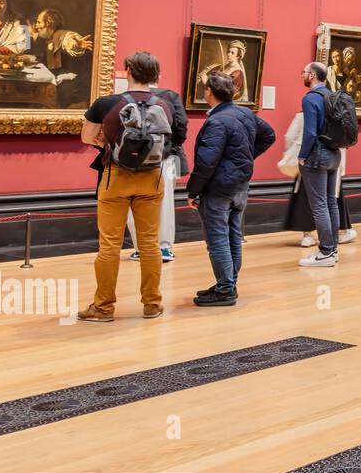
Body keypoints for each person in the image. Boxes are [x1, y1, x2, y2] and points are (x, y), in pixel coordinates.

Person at [76, 53, 182, 322]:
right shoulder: (165, 104)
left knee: (109, 245)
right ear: (156, 76)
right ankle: (152, 304)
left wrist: (109, 145)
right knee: (149, 244)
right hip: (152, 178)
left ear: (127, 72)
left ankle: (103, 308)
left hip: (116, 177)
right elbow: (171, 139)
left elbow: (87, 136)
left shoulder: (107, 104)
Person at [184, 71, 276, 307]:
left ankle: (225, 289)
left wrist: (193, 190)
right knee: (233, 235)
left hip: (219, 187)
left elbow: (206, 162)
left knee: (218, 239)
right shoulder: (245, 113)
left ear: (209, 93)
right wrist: (244, 158)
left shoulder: (216, 121)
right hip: (240, 184)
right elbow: (269, 135)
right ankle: (229, 283)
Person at [121, 52, 188, 264]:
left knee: (133, 202)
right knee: (165, 202)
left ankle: (141, 247)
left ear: (129, 72)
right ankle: (164, 247)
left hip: (130, 158)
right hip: (165, 157)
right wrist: (169, 146)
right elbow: (181, 128)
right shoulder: (170, 97)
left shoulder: (123, 98)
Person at [279, 111, 356, 247]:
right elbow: (343, 142)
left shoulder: (303, 115)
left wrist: (295, 154)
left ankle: (308, 235)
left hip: (309, 161)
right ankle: (334, 236)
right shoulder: (336, 115)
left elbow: (290, 137)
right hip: (332, 162)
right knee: (331, 200)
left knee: (309, 198)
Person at [297, 61, 343, 268]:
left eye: (304, 72)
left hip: (317, 155)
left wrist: (302, 155)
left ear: (313, 75)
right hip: (334, 154)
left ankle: (325, 252)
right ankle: (333, 249)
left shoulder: (311, 99)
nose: (303, 75)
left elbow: (310, 132)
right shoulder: (332, 96)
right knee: (330, 202)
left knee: (319, 205)